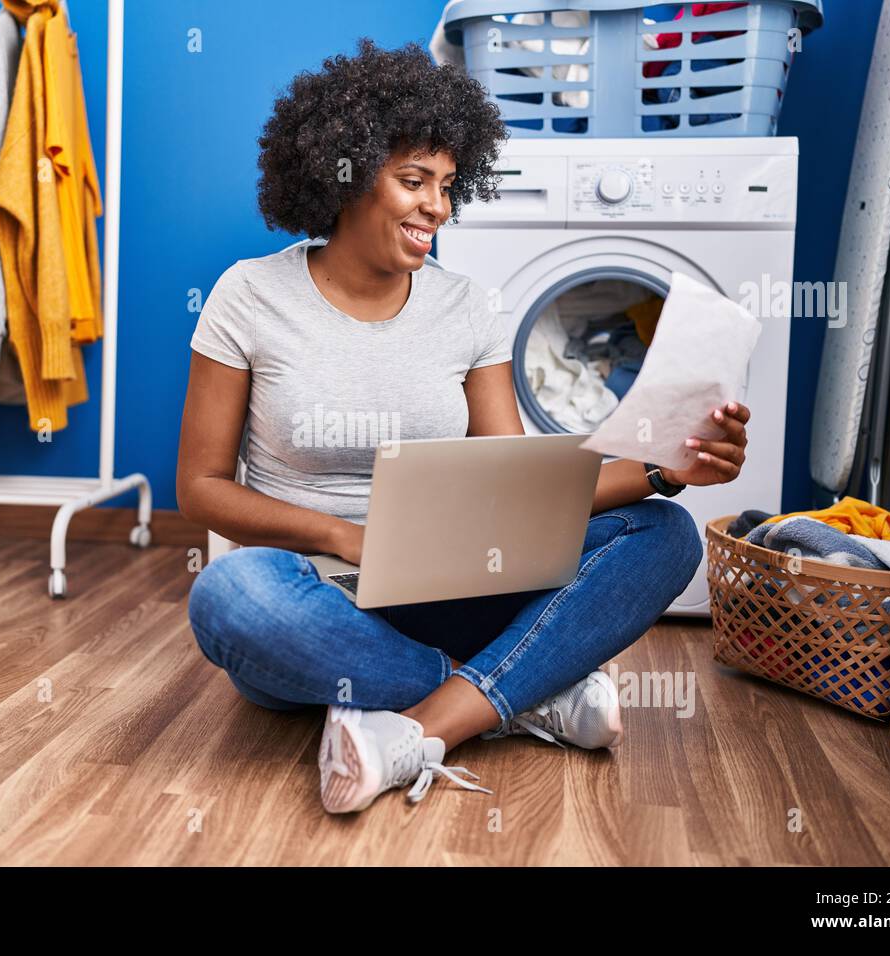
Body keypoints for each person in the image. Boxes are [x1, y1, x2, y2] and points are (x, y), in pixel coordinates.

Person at [176, 40, 750, 815]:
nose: (436, 207)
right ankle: (525, 695)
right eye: (413, 181)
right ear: (342, 176)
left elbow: (519, 484)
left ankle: (423, 724)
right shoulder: (249, 296)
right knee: (231, 596)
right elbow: (201, 489)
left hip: (451, 581)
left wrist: (664, 467)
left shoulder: (469, 306)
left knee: (665, 534)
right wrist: (346, 537)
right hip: (316, 600)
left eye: (447, 185)